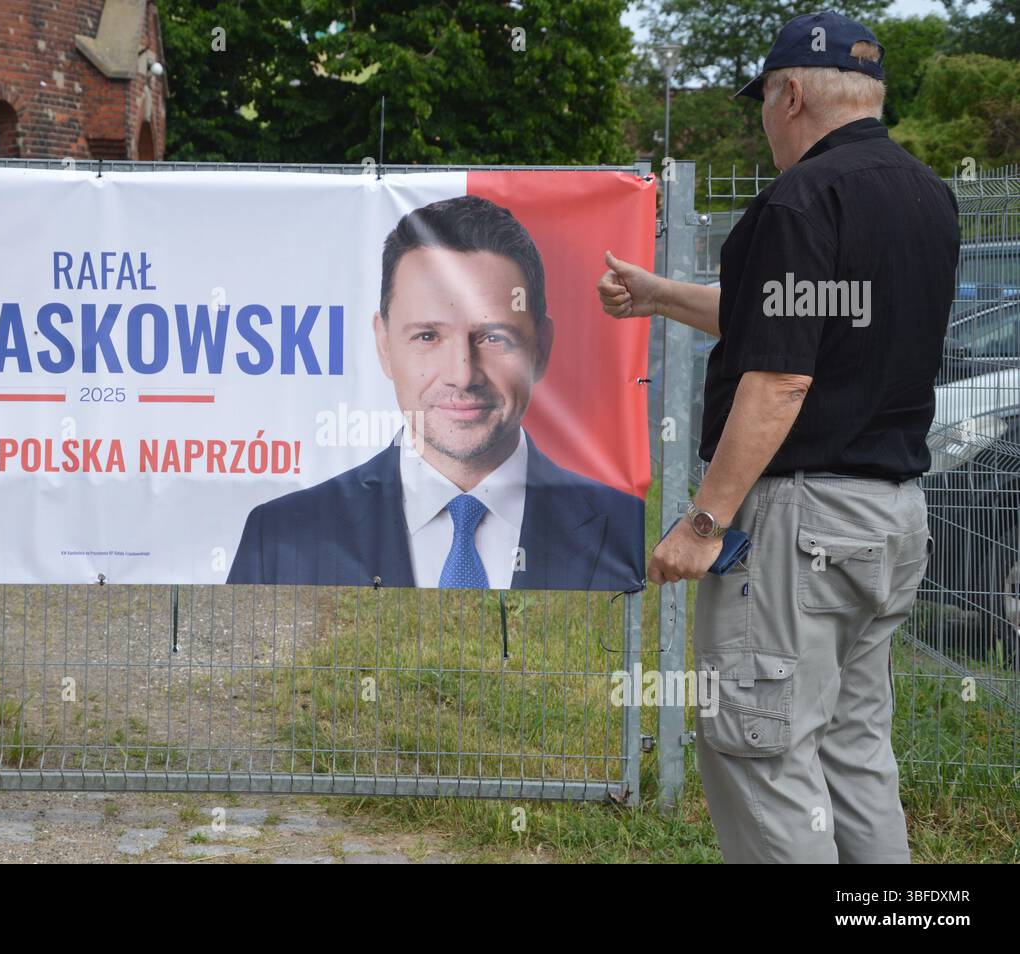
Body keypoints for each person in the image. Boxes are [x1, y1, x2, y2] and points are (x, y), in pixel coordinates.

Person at [598, 10, 959, 863]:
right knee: (852, 752)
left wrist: (705, 520)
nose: (764, 118)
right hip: (890, 521)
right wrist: (657, 294)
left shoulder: (800, 199)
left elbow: (781, 376)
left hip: (800, 532)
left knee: (764, 753)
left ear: (790, 93)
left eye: (764, 99)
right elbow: (788, 323)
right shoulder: (926, 195)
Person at [228, 194, 645, 590]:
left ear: (542, 348)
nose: (462, 375)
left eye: (494, 338)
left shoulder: (628, 531)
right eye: (427, 336)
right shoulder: (279, 539)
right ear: (384, 345)